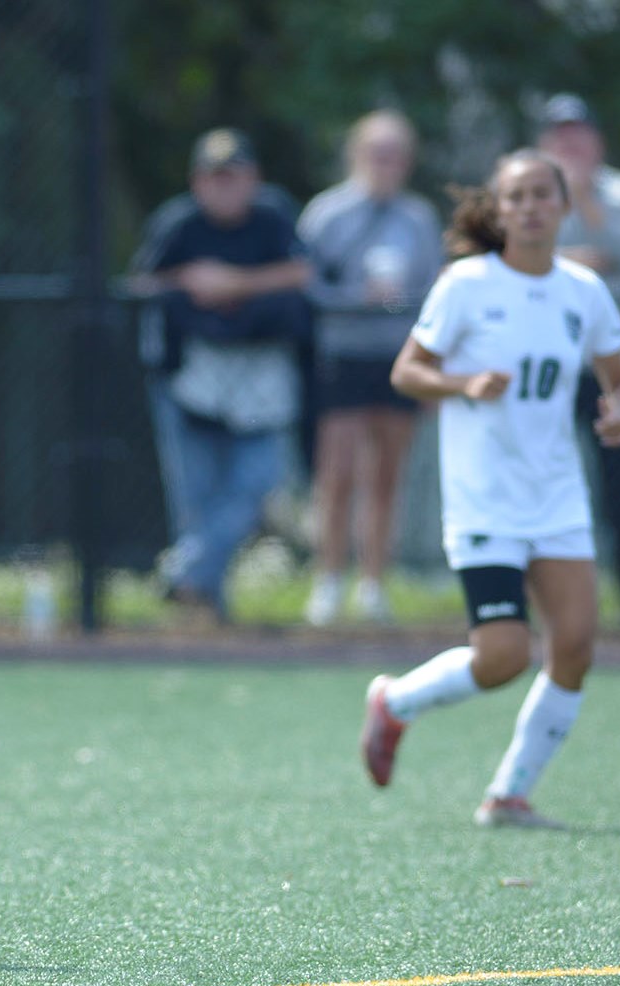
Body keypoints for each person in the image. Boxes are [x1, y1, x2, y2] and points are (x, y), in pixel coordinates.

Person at [360, 149, 620, 828]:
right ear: (498, 209)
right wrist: (462, 384)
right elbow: (407, 372)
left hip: (556, 493)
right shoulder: (466, 284)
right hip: (484, 495)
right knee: (505, 656)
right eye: (515, 197)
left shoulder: (583, 290)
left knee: (574, 645)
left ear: (564, 206)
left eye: (543, 194)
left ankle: (508, 795)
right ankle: (394, 704)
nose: (530, 207)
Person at [130, 128, 312, 620]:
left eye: (234, 177)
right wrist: (190, 281)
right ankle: (206, 600)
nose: (224, 188)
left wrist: (237, 283)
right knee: (196, 497)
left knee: (257, 486)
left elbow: (306, 273)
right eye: (214, 178)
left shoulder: (273, 216)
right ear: (197, 181)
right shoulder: (179, 222)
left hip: (260, 371)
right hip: (194, 371)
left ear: (253, 178)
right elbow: (141, 281)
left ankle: (186, 576)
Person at [297, 111, 445, 626]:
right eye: (376, 153)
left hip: (397, 354)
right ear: (357, 156)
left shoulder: (419, 219)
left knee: (386, 474)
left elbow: (435, 292)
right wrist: (354, 298)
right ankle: (328, 580)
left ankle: (374, 582)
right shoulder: (327, 214)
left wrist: (402, 310)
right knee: (336, 472)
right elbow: (306, 283)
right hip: (344, 353)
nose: (386, 164)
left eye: (395, 155)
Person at [537, 93, 620, 629]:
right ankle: (540, 601)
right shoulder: (528, 192)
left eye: (578, 133)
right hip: (549, 366)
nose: (570, 144)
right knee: (541, 480)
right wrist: (566, 257)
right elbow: (512, 254)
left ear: (597, 140)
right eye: (559, 135)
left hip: (618, 365)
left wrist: (584, 198)